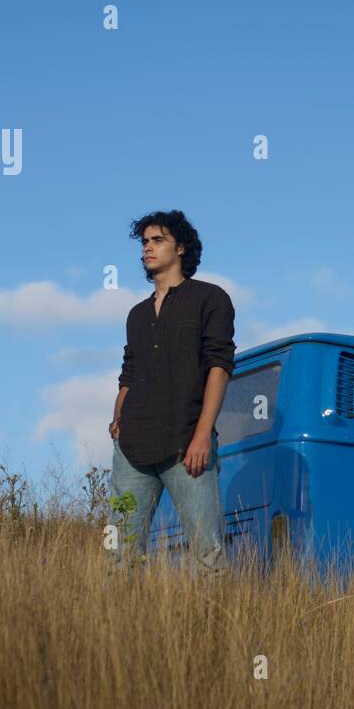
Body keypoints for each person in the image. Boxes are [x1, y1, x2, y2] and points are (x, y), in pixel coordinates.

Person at [108, 209, 236, 574]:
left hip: (186, 444)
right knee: (118, 552)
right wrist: (117, 420)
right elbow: (128, 373)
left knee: (208, 552)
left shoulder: (210, 298)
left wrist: (202, 435)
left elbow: (219, 366)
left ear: (180, 248)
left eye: (157, 240)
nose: (147, 248)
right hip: (132, 448)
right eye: (144, 242)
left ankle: (212, 614)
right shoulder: (136, 314)